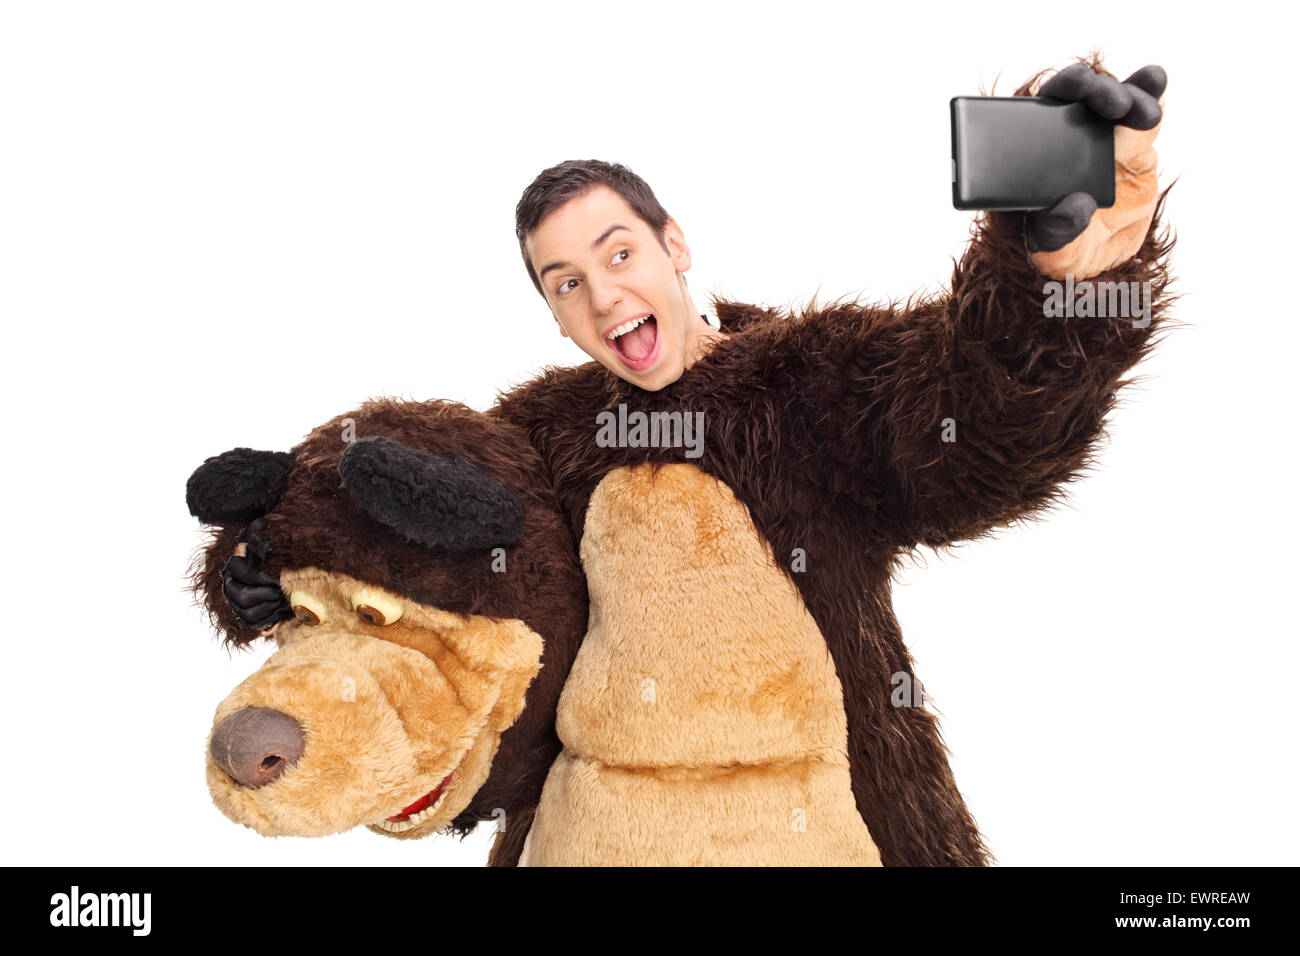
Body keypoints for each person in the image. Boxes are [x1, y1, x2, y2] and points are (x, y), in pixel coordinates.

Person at [221, 58, 1173, 865]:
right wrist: (267, 564)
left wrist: (1060, 284)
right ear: (552, 311)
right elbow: (439, 581)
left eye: (619, 253)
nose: (604, 296)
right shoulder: (541, 433)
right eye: (567, 282)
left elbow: (972, 434)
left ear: (674, 245)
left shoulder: (811, 381)